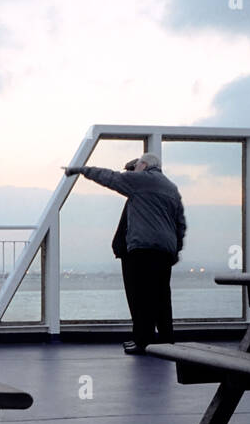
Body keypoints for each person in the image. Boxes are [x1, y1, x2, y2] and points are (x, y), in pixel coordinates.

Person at [64, 151, 185, 354]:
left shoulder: (140, 181)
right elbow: (180, 223)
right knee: (162, 296)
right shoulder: (171, 188)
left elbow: (109, 177)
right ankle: (166, 340)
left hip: (142, 248)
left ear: (144, 166)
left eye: (136, 166)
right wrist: (176, 248)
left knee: (139, 295)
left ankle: (142, 341)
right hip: (165, 250)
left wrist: (82, 170)